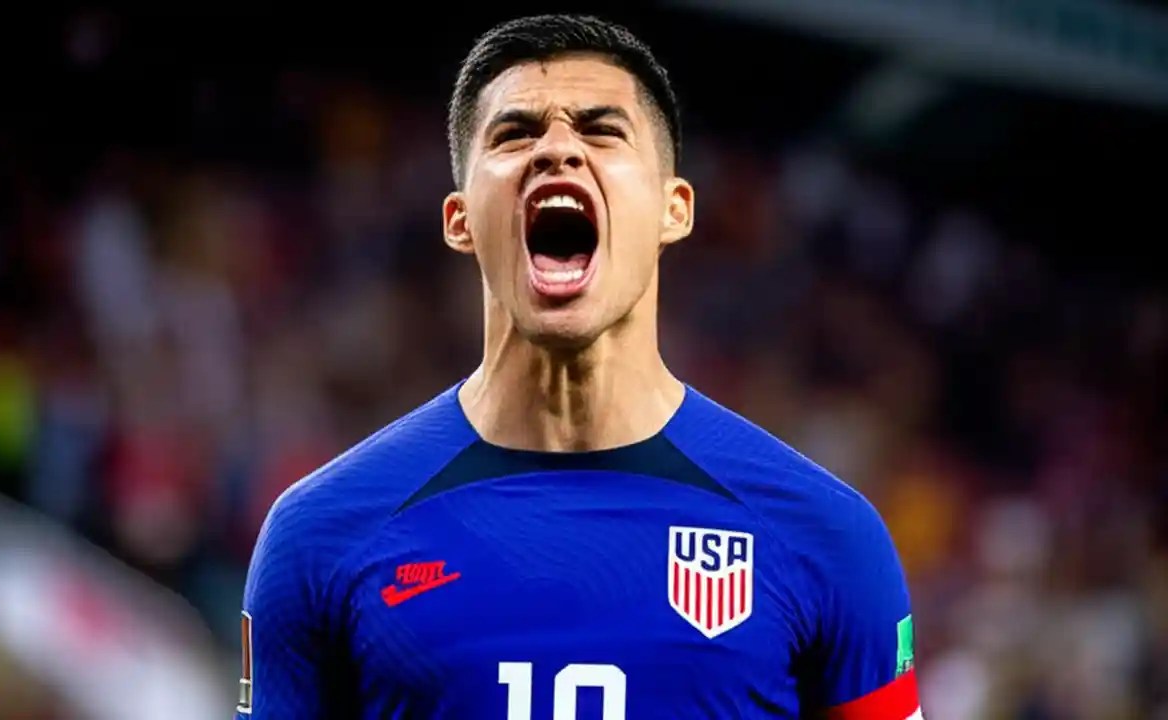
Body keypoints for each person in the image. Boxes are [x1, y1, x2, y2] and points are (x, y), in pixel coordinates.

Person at [236, 13, 923, 719]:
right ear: (460, 219)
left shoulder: (830, 539)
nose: (557, 149)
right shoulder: (320, 535)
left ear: (673, 208)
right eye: (514, 133)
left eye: (601, 129)